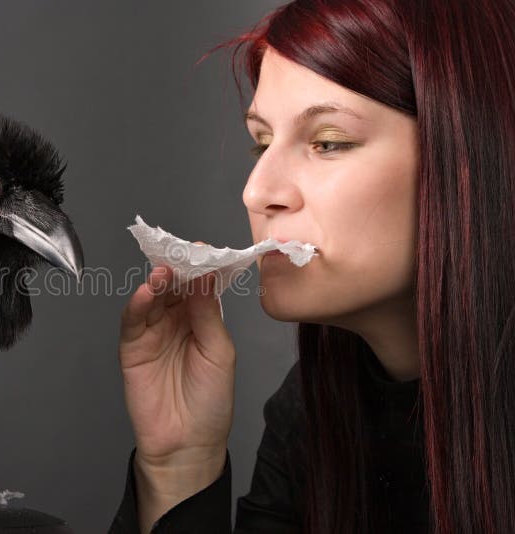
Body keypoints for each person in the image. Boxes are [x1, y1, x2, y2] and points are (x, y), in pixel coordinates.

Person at [108, 0, 515, 532]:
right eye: (262, 143)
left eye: (328, 143)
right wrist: (180, 466)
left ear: (471, 155)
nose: (256, 193)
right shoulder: (312, 412)